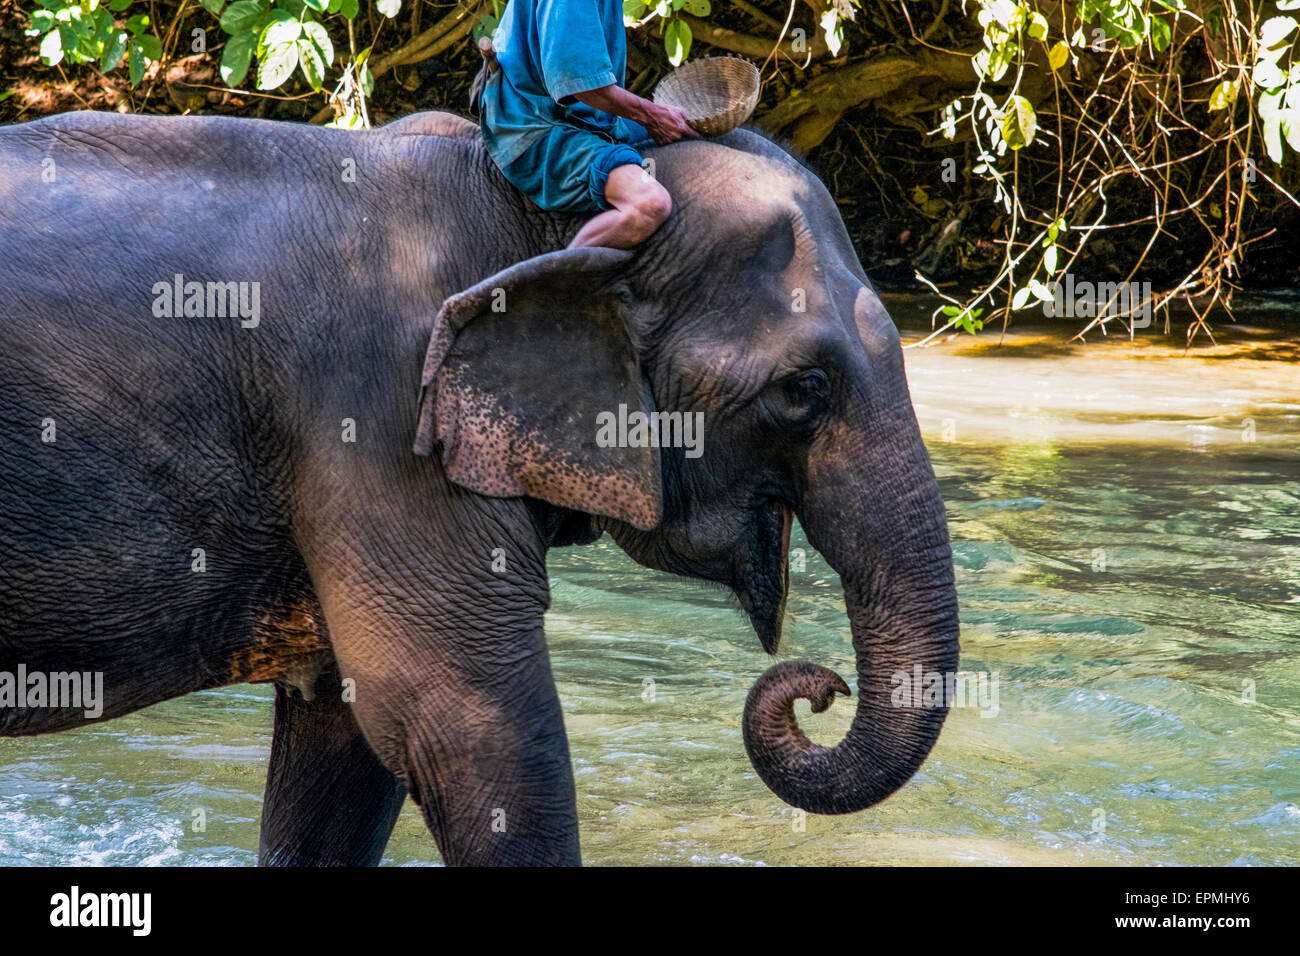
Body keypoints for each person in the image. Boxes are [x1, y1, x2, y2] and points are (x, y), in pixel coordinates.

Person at [478, 0, 697, 249]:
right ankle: (564, 282)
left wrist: (653, 116)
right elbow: (579, 84)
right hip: (538, 130)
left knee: (685, 131)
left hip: (578, 116)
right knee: (648, 204)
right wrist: (652, 116)